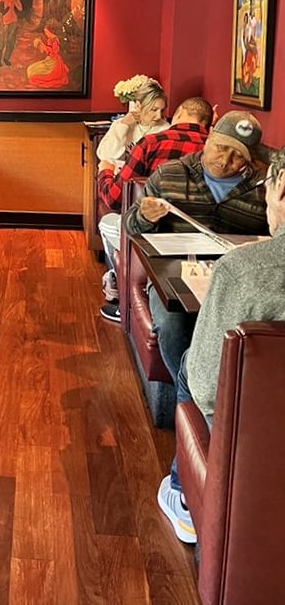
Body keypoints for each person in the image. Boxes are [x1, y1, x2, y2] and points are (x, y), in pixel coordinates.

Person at [157, 145, 285, 545]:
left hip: (257, 443)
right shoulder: (171, 173)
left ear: (280, 188)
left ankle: (185, 492)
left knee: (190, 362)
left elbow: (210, 388)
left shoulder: (245, 272)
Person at [122, 111, 268, 383]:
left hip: (238, 279)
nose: (225, 161)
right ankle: (189, 392)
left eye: (238, 156)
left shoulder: (264, 188)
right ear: (209, 137)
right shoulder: (170, 174)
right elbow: (130, 225)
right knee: (170, 324)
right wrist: (144, 216)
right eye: (221, 148)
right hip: (174, 277)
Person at [98, 97, 213, 323]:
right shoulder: (215, 149)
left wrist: (105, 172)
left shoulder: (151, 143)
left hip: (152, 234)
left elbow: (114, 198)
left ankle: (121, 291)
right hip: (207, 238)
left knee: (108, 222)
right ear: (208, 123)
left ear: (178, 114)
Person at [97, 79, 169, 166]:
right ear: (138, 105)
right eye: (154, 110)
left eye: (162, 110)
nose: (159, 116)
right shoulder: (120, 124)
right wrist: (123, 126)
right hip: (120, 175)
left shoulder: (166, 129)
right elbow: (105, 156)